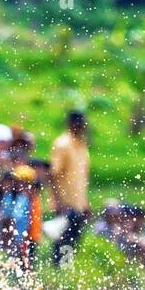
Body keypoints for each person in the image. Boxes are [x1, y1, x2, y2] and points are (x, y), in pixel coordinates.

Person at [49, 109, 90, 268]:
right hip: (65, 202)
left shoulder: (82, 145)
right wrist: (58, 201)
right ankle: (58, 270)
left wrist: (85, 203)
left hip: (78, 202)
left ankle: (66, 270)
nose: (80, 127)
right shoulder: (62, 144)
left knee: (73, 239)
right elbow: (53, 175)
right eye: (78, 124)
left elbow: (81, 177)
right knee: (62, 239)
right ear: (70, 124)